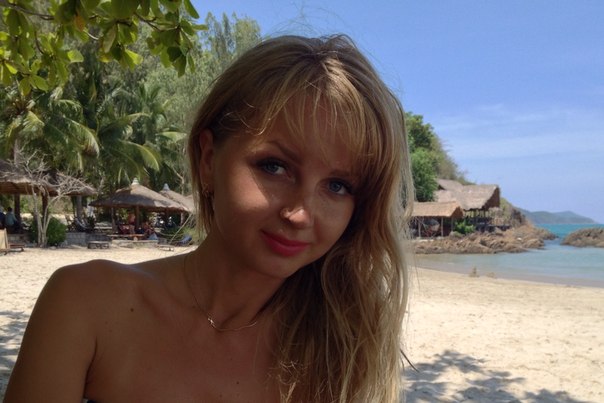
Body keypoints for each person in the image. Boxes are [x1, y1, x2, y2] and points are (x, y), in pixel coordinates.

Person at [5, 34, 414, 402]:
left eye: (338, 186)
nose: (300, 214)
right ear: (207, 159)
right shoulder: (86, 304)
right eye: (274, 167)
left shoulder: (345, 353)